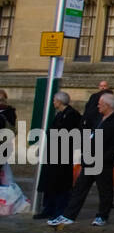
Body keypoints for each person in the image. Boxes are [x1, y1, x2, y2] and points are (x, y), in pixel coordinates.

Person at [55, 92, 114, 227]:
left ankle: (102, 216)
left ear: (108, 105)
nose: (97, 106)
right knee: (80, 188)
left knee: (104, 190)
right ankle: (69, 215)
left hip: (103, 162)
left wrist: (103, 158)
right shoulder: (99, 117)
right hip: (89, 159)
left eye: (100, 104)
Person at [35, 91, 81, 221]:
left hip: (62, 155)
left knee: (60, 184)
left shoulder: (72, 115)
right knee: (49, 183)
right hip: (52, 154)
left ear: (59, 102)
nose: (53, 102)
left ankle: (59, 210)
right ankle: (48, 208)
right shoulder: (60, 114)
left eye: (54, 100)